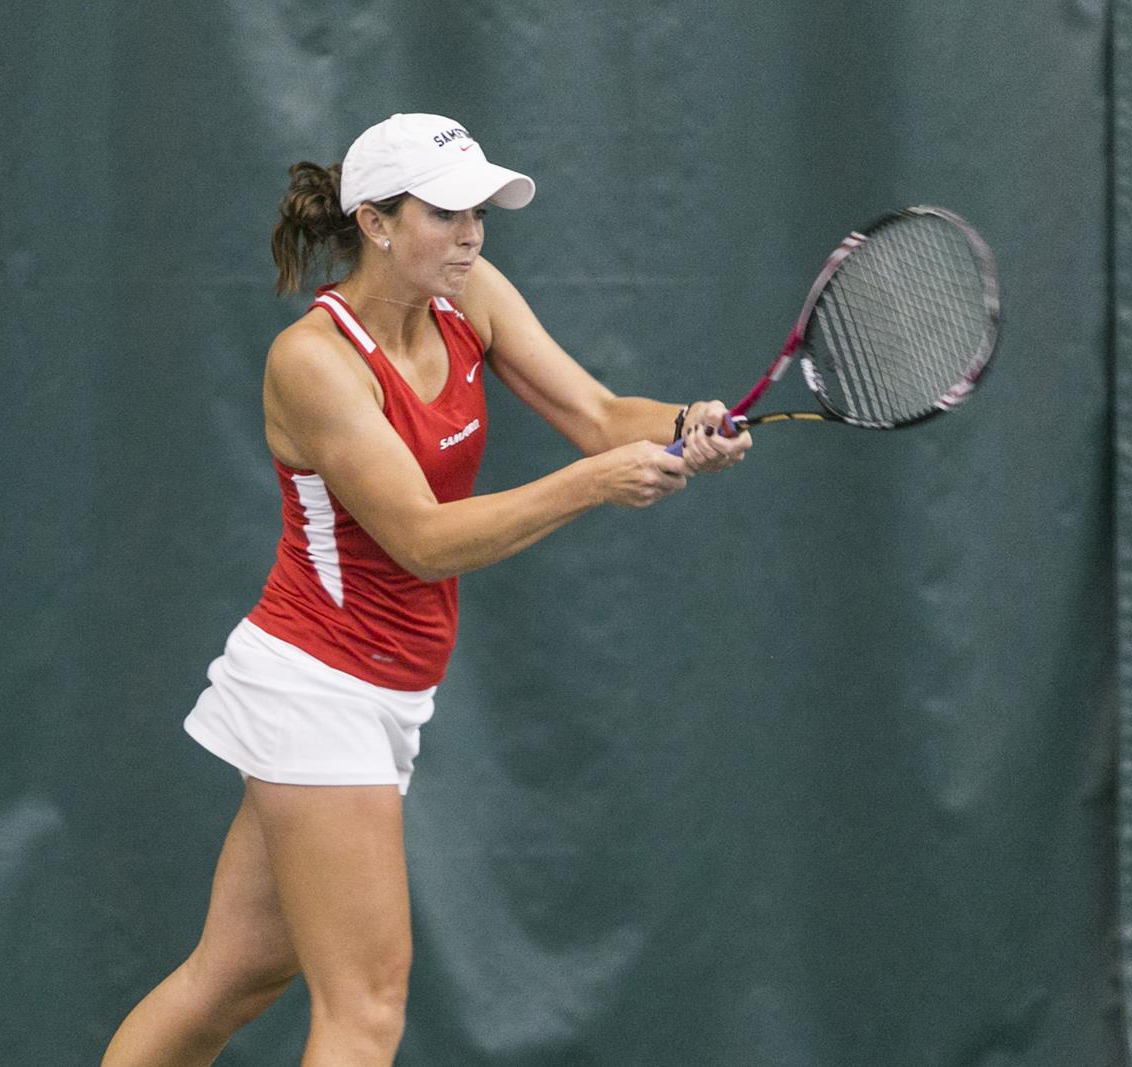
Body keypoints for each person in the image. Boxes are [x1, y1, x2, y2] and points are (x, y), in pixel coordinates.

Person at [101, 112, 750, 1067]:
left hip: (381, 689)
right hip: (319, 687)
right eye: (445, 213)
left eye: (479, 210)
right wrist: (594, 484)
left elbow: (602, 414)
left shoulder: (470, 294)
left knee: (231, 975)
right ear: (374, 222)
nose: (472, 233)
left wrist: (689, 420)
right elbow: (421, 540)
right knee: (366, 1011)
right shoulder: (314, 362)